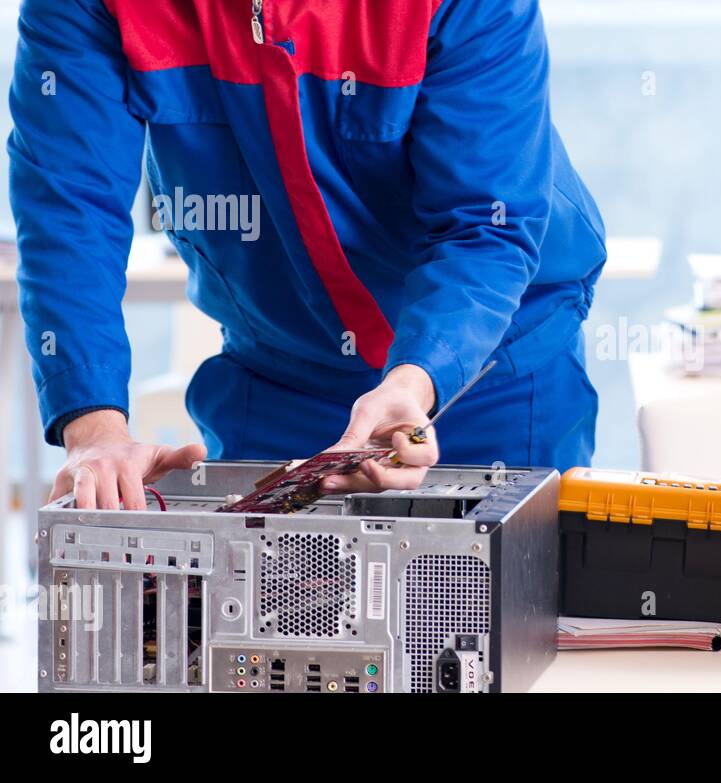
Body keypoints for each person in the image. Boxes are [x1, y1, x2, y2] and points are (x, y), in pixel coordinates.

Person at [8, 0, 605, 510]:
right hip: (278, 372)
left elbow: (484, 222)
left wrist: (417, 378)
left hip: (491, 365)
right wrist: (95, 429)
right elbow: (69, 208)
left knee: (511, 627)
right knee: (248, 630)